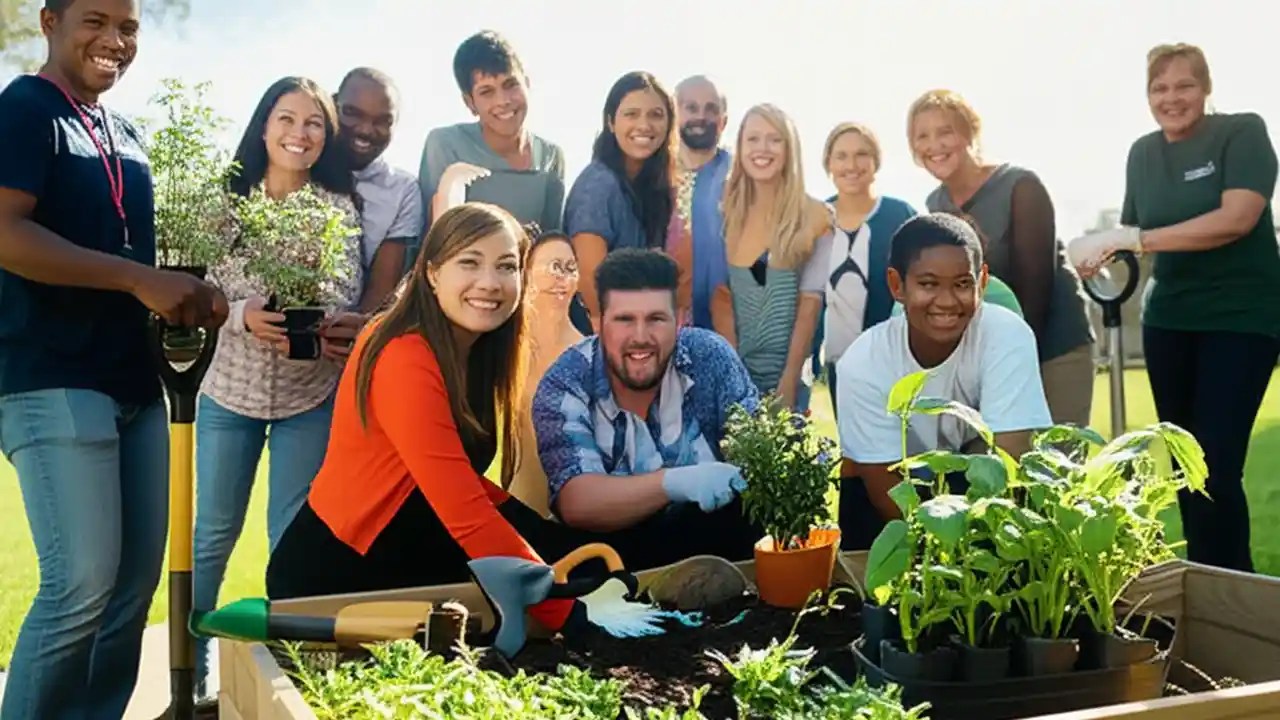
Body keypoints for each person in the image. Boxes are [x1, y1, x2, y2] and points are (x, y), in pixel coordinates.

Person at [0, 0, 227, 717]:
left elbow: (127, 253)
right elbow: (5, 233)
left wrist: (184, 284)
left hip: (134, 381)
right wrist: (138, 279)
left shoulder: (120, 129)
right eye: (95, 20)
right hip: (52, 375)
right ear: (49, 20)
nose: (114, 41)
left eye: (128, 28)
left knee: (131, 591)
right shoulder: (25, 110)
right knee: (80, 585)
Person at [265, 204, 593, 619]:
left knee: (574, 555)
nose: (489, 283)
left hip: (407, 547)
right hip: (337, 582)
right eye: (469, 263)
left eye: (506, 267)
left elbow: (465, 487)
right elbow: (462, 508)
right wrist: (568, 614)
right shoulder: (404, 355)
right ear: (433, 273)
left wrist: (557, 546)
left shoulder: (475, 351)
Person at [1066, 43, 1280, 573]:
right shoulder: (1142, 153)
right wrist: (1099, 252)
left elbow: (1237, 219)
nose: (1172, 97)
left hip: (1241, 319)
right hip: (1170, 324)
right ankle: (1200, 583)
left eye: (1184, 85)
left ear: (1205, 89)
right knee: (1186, 466)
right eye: (1159, 88)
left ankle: (1232, 590)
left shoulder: (1241, 133)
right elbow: (1138, 240)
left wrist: (1134, 236)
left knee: (1216, 463)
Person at [192, 76, 364, 698]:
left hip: (307, 397)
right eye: (287, 119)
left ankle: (289, 672)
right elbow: (198, 287)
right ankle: (192, 672)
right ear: (263, 126)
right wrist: (241, 314)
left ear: (327, 136)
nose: (300, 133)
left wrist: (325, 320)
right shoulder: (225, 200)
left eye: (314, 123)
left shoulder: (336, 208)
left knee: (291, 533)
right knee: (212, 531)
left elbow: (344, 289)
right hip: (227, 393)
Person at [533, 248, 763, 571]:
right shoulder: (565, 381)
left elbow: (760, 461)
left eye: (656, 319)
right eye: (624, 319)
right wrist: (674, 483)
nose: (640, 337)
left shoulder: (710, 358)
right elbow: (576, 501)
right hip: (609, 568)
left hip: (713, 557)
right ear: (598, 321)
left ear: (680, 319)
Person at [836, 213, 1051, 549]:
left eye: (963, 284)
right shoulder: (863, 362)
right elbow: (884, 487)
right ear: (897, 285)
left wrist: (975, 552)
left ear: (982, 282)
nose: (948, 301)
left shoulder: (1006, 335)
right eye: (928, 284)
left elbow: (1011, 456)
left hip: (973, 474)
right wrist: (942, 555)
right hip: (893, 484)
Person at [910, 89, 1095, 427]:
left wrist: (1008, 366)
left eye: (945, 131)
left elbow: (1035, 290)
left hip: (1054, 347)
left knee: (1057, 467)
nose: (934, 145)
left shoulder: (1020, 186)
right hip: (992, 358)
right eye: (922, 136)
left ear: (969, 133)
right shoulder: (935, 205)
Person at [721, 103, 834, 411]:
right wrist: (733, 382)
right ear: (740, 147)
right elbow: (720, 299)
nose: (763, 148)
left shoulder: (817, 217)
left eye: (774, 139)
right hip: (734, 374)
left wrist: (790, 381)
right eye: (753, 139)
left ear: (789, 148)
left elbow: (810, 307)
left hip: (789, 375)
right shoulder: (724, 213)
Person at [417, 31, 566, 239]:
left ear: (528, 84)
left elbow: (551, 241)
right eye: (487, 92)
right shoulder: (446, 145)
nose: (503, 100)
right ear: (470, 103)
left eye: (511, 84)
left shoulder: (550, 156)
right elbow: (433, 237)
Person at [564, 71, 677, 334]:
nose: (644, 125)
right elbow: (591, 287)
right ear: (610, 122)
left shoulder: (652, 188)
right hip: (600, 334)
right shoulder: (598, 185)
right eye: (631, 114)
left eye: (656, 115)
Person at [819, 122, 917, 417]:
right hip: (840, 365)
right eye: (841, 156)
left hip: (895, 363)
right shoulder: (815, 218)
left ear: (876, 162)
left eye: (862, 154)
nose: (851, 165)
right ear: (829, 164)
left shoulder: (900, 215)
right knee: (854, 454)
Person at [335, 66, 424, 313]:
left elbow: (382, 289)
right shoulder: (301, 168)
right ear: (333, 105)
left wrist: (354, 338)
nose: (365, 130)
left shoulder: (403, 191)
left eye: (382, 121)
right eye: (353, 114)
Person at [509, 231, 584, 516]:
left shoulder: (587, 355)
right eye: (553, 267)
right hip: (510, 507)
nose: (562, 278)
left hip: (566, 515)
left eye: (569, 268)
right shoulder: (503, 349)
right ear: (525, 274)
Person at [670, 75, 734, 340]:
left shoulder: (740, 177)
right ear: (673, 115)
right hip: (665, 329)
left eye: (711, 109)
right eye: (691, 108)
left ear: (724, 120)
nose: (701, 117)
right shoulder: (653, 178)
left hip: (728, 329)